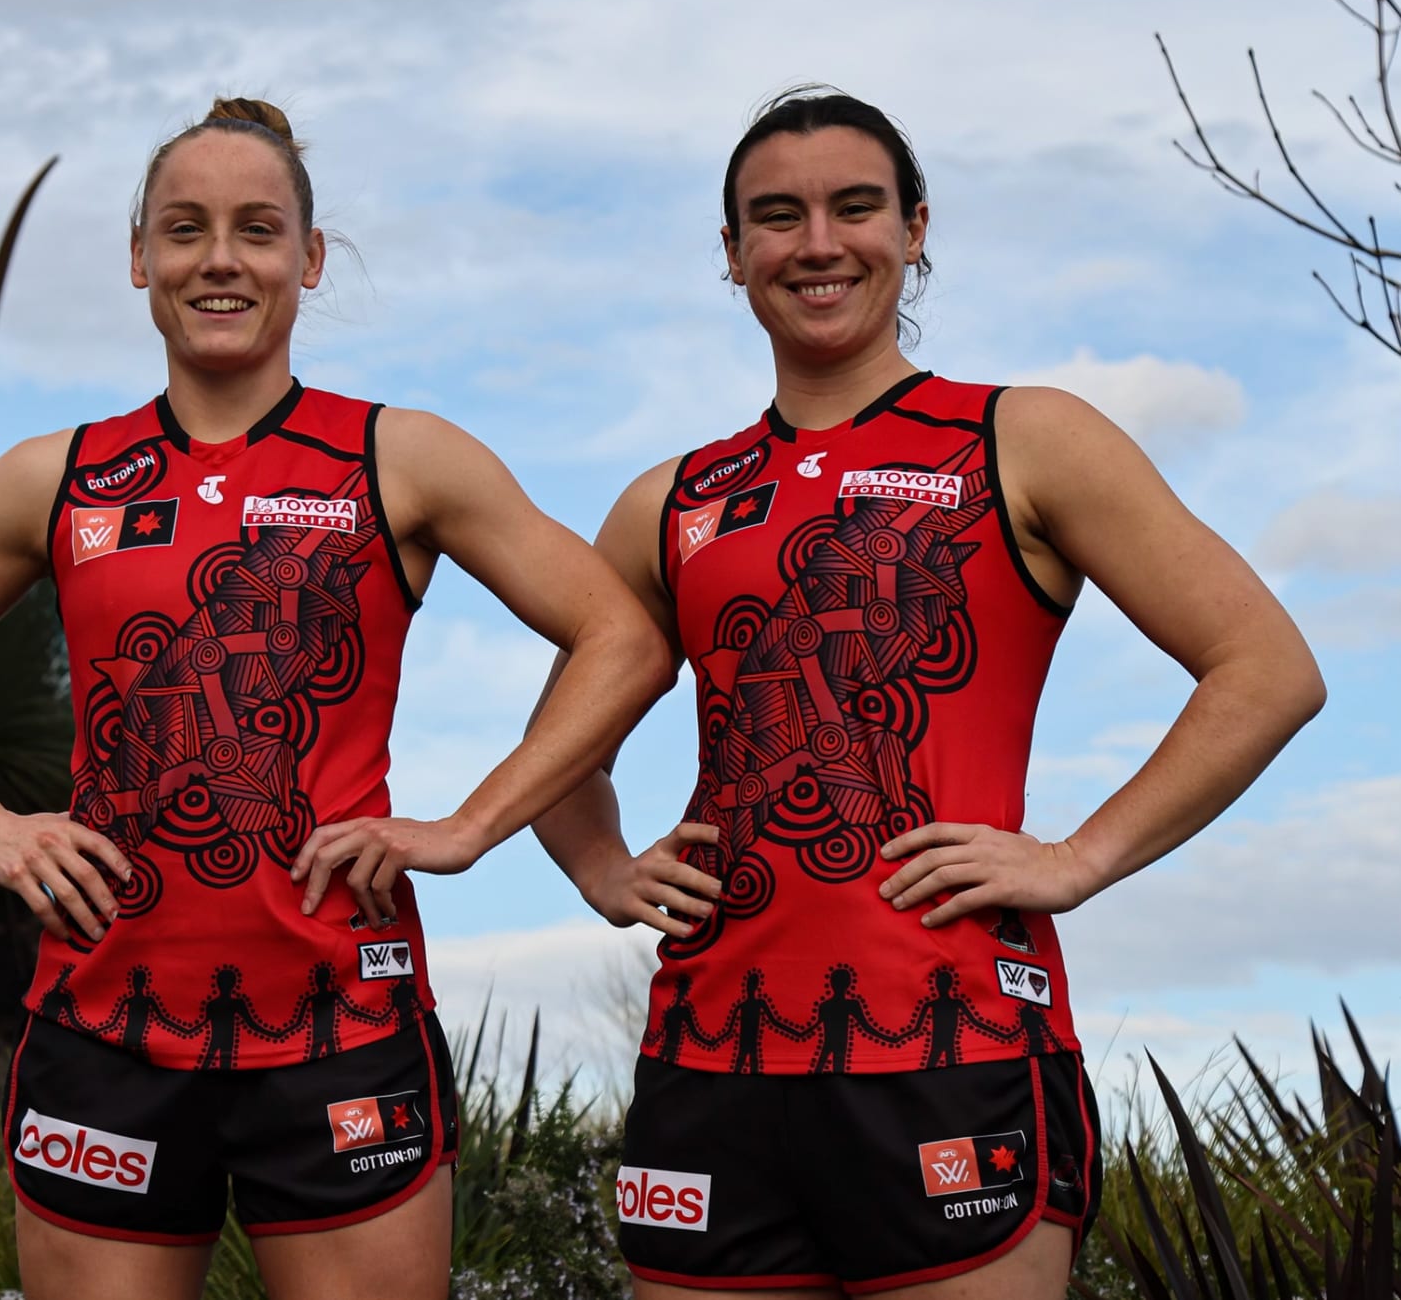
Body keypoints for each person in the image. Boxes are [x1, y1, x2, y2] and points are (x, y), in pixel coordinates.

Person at [0, 97, 671, 1300]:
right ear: (140, 258)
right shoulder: (54, 478)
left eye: (256, 230)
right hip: (101, 1023)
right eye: (184, 230)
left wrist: (465, 828)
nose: (219, 260)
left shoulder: (400, 458)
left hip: (340, 1023)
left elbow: (621, 637)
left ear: (309, 258)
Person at [531, 88, 1325, 1298]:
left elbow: (1266, 669)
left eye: (853, 207)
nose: (816, 244)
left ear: (912, 228)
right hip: (708, 1056)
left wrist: (1077, 857)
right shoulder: (669, 501)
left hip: (953, 1047)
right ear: (732, 252)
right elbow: (556, 752)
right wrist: (599, 867)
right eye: (776, 217)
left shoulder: (1026, 439)